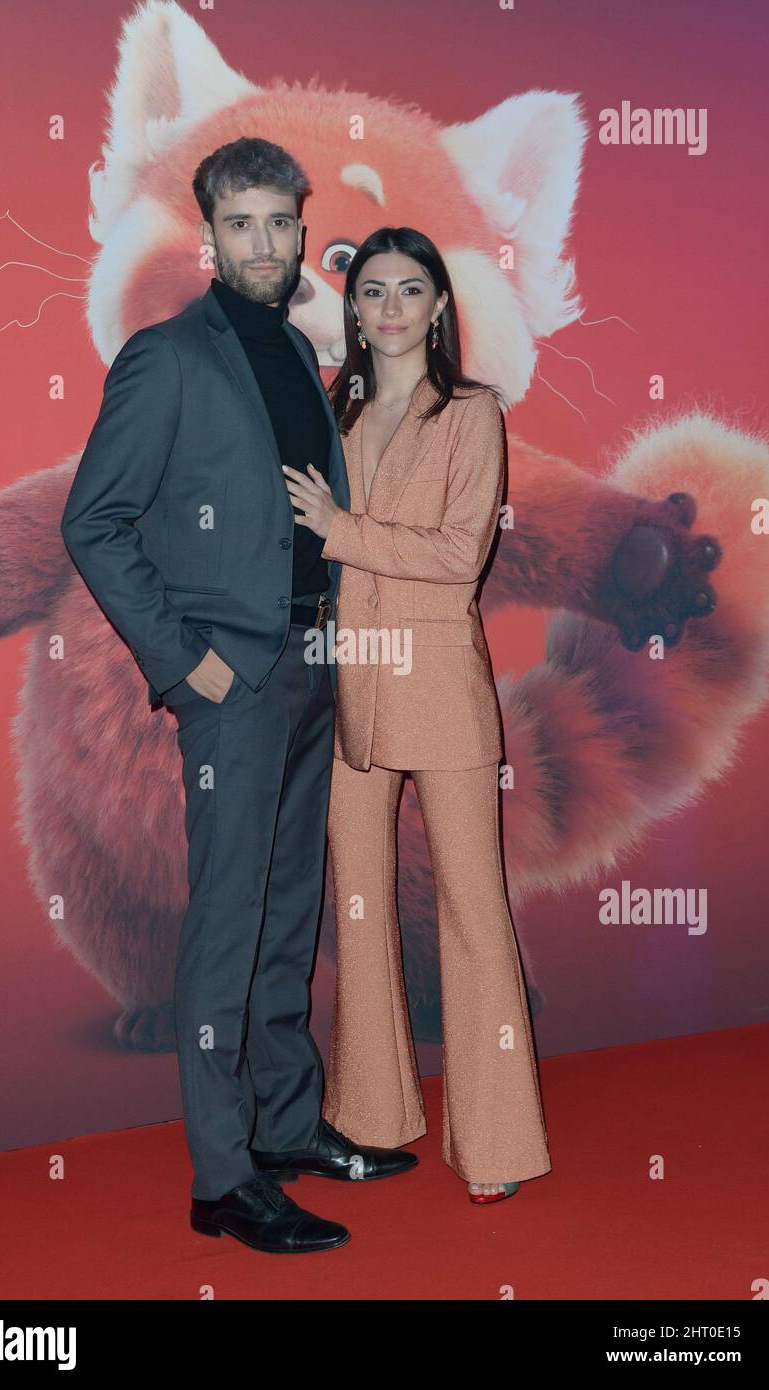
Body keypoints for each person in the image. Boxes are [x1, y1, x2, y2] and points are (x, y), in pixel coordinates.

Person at [61, 139, 416, 1257]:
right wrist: (185, 663)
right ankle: (223, 1179)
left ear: (301, 232)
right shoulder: (165, 358)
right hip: (234, 683)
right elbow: (92, 523)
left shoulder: (303, 355)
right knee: (226, 922)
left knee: (286, 914)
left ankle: (282, 1124)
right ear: (209, 237)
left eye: (281, 223)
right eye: (242, 225)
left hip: (313, 668)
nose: (264, 244)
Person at [282, 227, 552, 1204]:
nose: (388, 307)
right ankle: (368, 1116)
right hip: (352, 686)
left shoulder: (472, 413)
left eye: (409, 290)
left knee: (473, 915)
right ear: (349, 308)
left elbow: (456, 554)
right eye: (371, 291)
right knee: (356, 908)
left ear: (438, 305)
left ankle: (497, 1144)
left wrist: (340, 529)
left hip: (438, 683)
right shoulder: (336, 407)